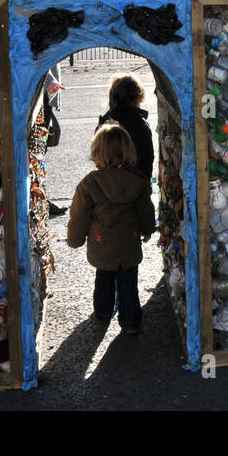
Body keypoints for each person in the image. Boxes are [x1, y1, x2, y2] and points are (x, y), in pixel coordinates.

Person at [65, 123, 156, 335]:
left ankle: (103, 312)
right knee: (129, 284)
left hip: (101, 244)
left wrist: (75, 240)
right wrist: (148, 229)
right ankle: (131, 322)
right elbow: (145, 210)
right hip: (128, 243)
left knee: (103, 279)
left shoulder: (89, 183)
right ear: (128, 150)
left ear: (97, 153)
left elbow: (79, 216)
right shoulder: (138, 181)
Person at [96, 72, 155, 187]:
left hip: (107, 185)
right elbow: (147, 160)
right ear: (138, 98)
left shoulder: (104, 124)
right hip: (135, 186)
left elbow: (98, 157)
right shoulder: (141, 124)